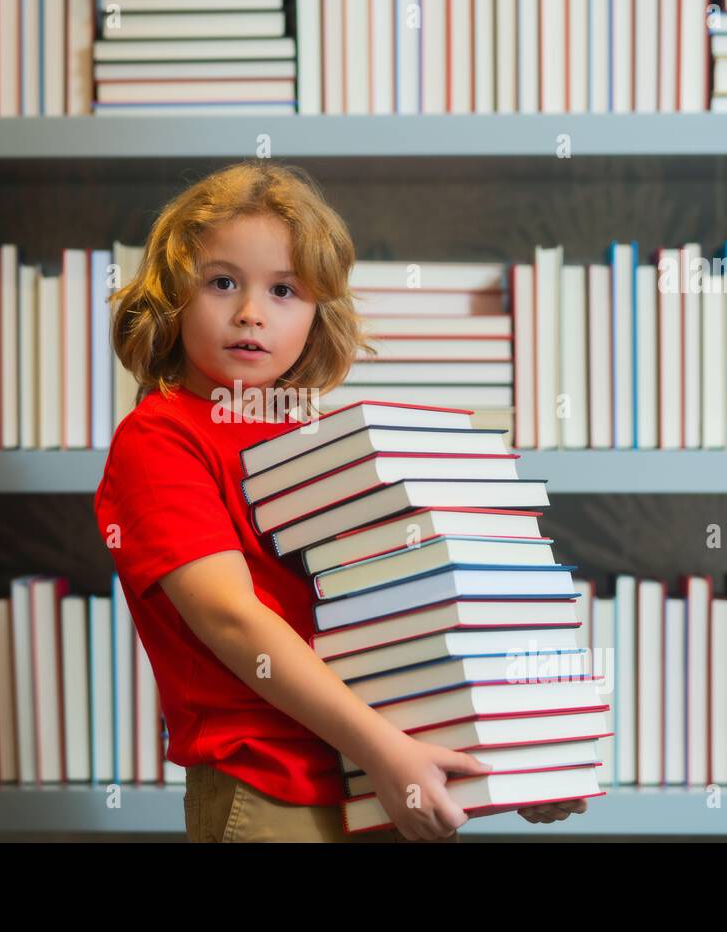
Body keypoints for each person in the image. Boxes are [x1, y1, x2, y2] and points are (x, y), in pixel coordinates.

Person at [93, 160, 587, 842]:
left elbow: (413, 607)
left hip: (381, 781)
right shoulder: (159, 438)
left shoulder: (319, 437)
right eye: (222, 282)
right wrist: (384, 749)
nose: (250, 312)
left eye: (285, 290)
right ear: (172, 298)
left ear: (318, 312)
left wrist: (507, 762)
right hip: (273, 788)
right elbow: (234, 620)